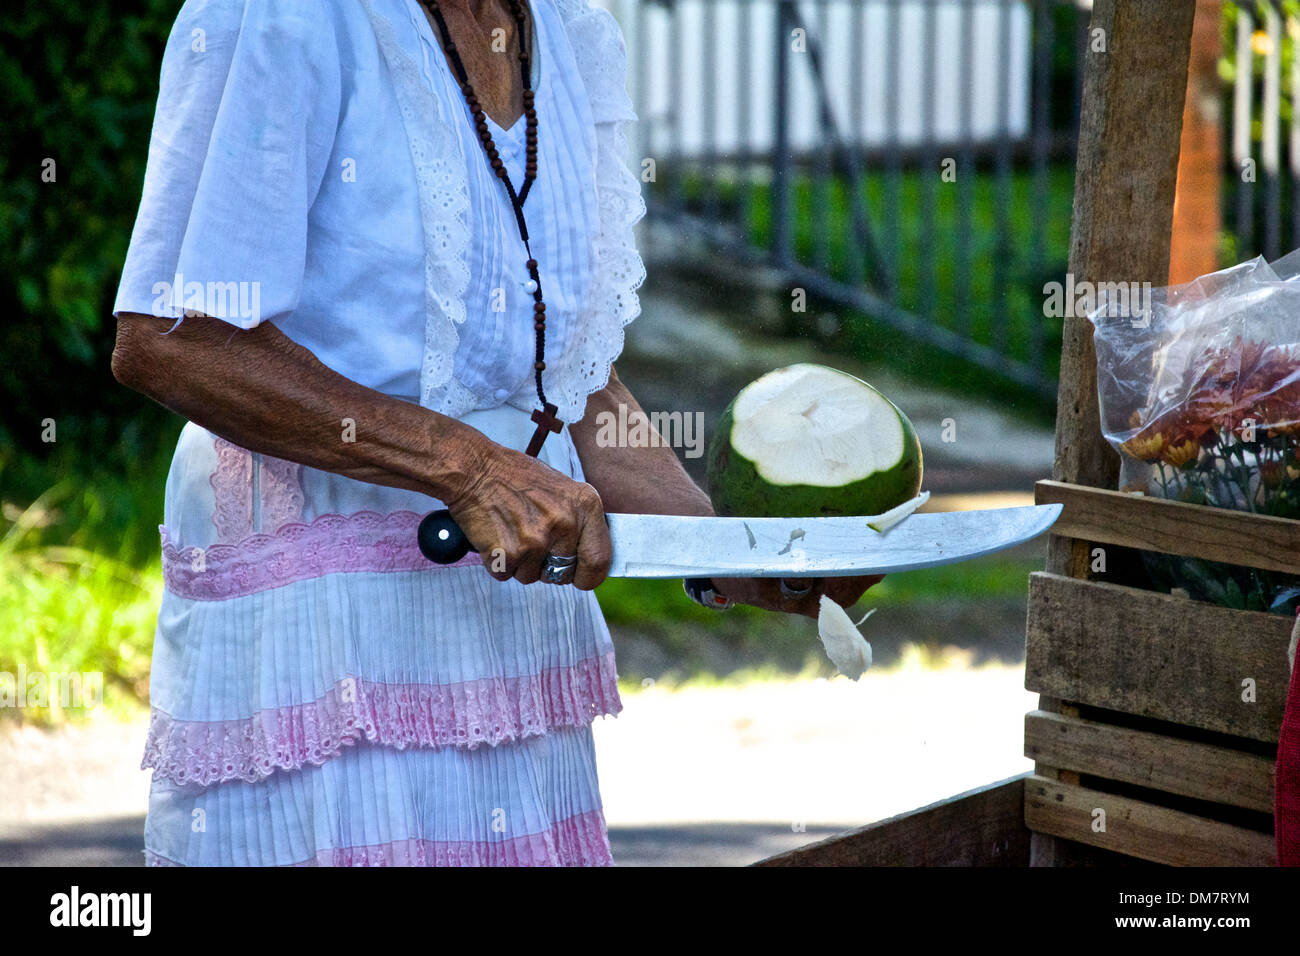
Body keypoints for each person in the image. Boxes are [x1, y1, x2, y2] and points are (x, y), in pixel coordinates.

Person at [110, 0, 882, 866]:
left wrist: (726, 556)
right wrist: (466, 470)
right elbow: (174, 338)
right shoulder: (283, 15)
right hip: (326, 630)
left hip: (506, 628)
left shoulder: (567, 30)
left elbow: (570, 380)